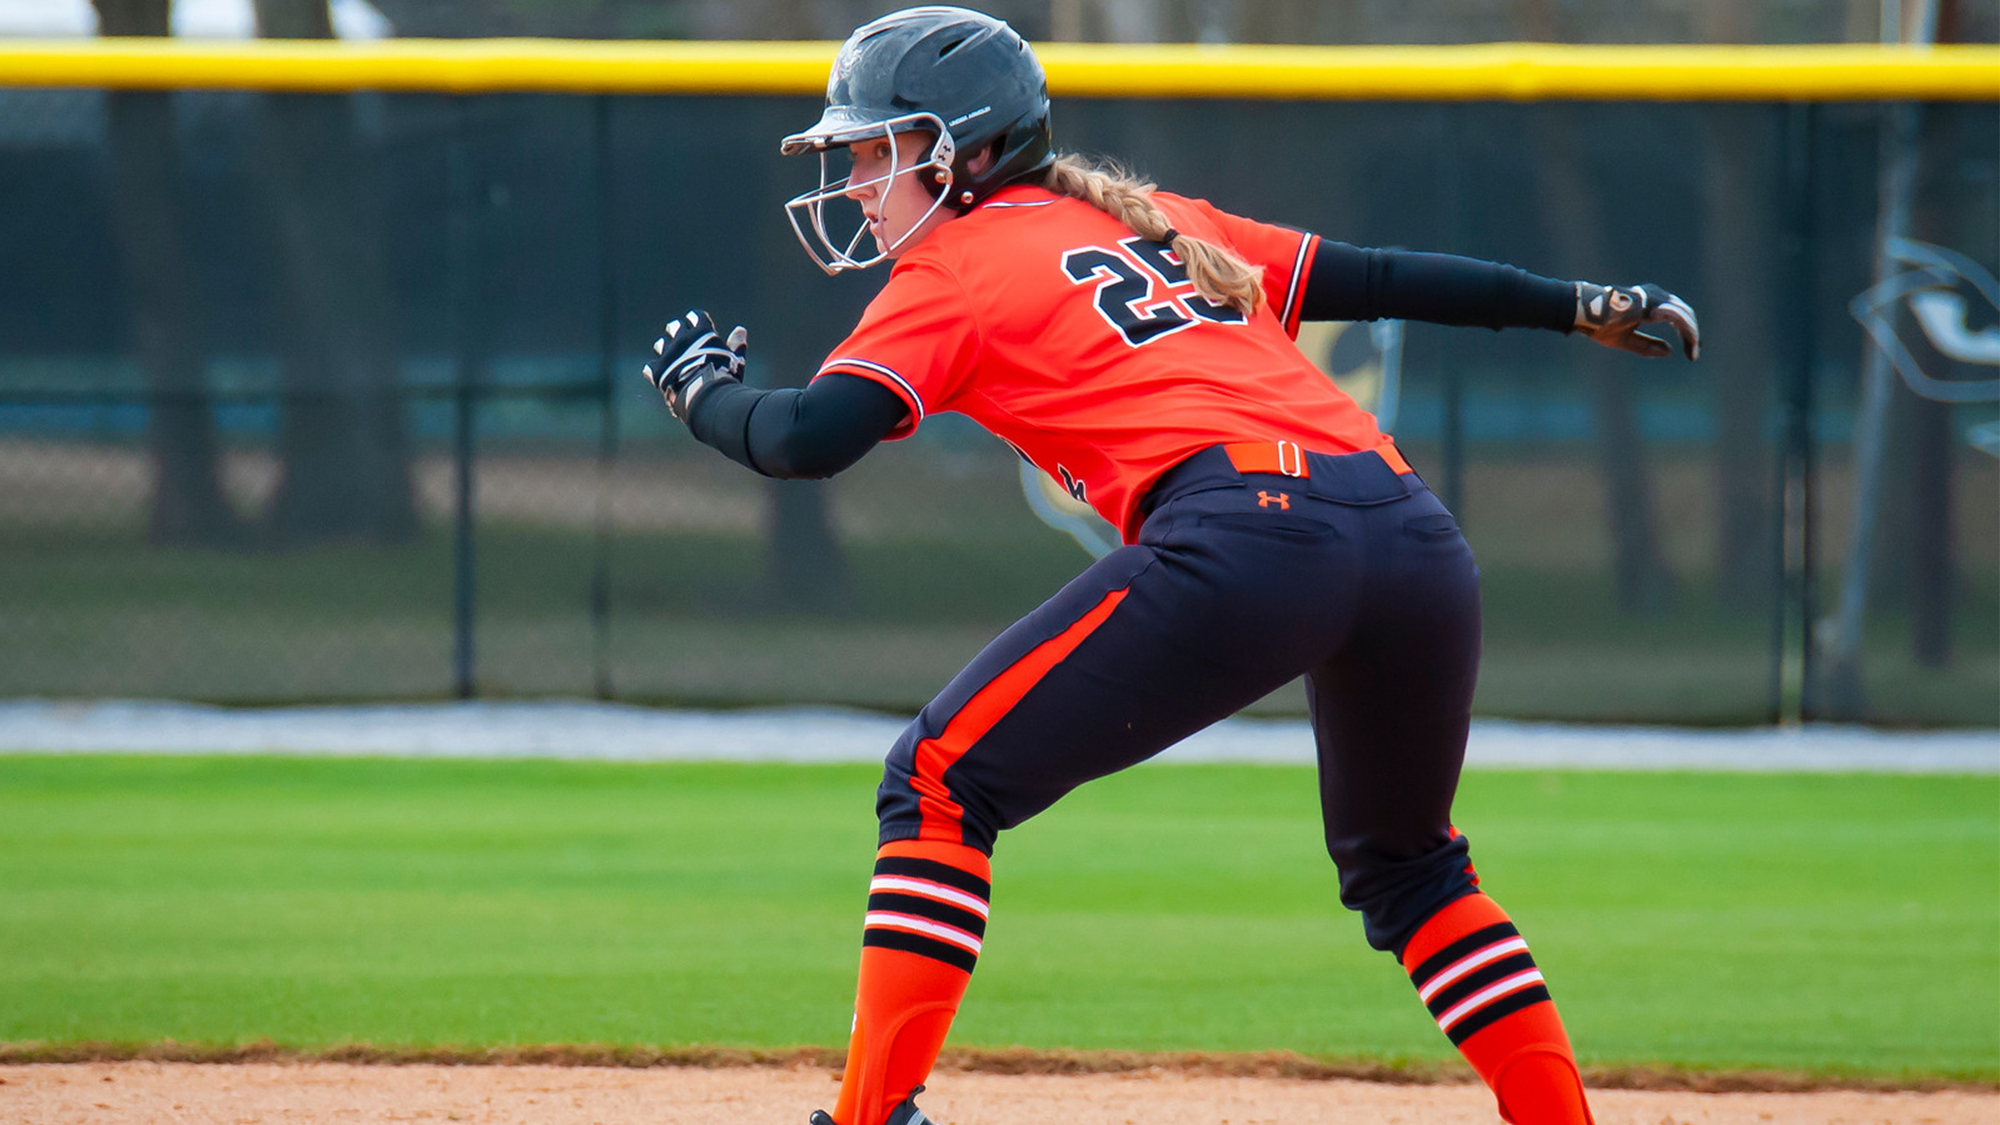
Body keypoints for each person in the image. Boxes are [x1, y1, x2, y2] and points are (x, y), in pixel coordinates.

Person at [641, 9, 1700, 1125]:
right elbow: (1382, 276)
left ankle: (867, 1119)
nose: (857, 181)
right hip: (1412, 538)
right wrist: (1571, 305)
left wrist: (703, 392)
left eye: (879, 148)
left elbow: (805, 438)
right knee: (1412, 869)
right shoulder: (1155, 220)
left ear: (969, 151)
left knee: (939, 784)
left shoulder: (954, 265)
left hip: (1252, 534)